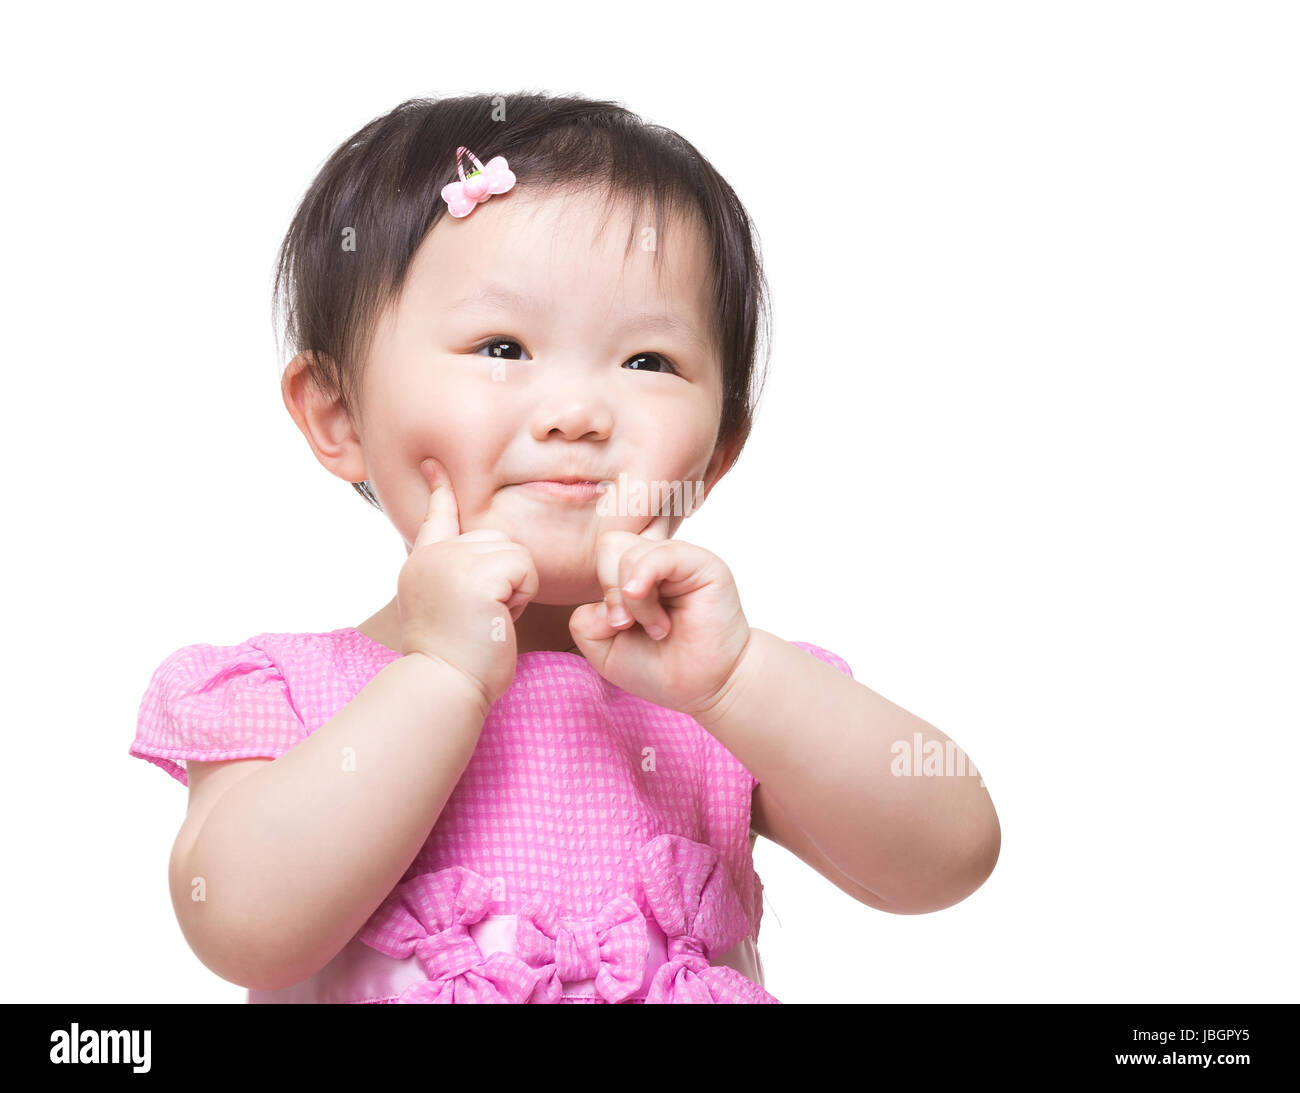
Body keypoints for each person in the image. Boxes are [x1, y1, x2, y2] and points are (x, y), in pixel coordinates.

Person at [130, 92, 1001, 1003]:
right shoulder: (287, 692)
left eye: (648, 363)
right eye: (503, 345)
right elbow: (241, 926)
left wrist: (739, 679)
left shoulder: (713, 701)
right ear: (337, 413)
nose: (579, 413)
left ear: (718, 451)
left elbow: (952, 856)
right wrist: (438, 673)